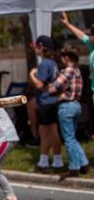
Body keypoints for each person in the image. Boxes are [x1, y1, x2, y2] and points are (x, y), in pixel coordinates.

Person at [48, 47, 90, 180]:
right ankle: (84, 163)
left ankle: (74, 167)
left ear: (66, 57)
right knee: (72, 137)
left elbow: (53, 87)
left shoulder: (68, 70)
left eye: (62, 57)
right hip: (76, 105)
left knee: (68, 139)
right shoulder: (77, 70)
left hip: (66, 106)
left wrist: (50, 87)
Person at [28, 35, 63, 172]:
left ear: (42, 47)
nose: (35, 49)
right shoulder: (53, 63)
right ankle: (45, 160)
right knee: (45, 131)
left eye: (36, 46)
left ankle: (56, 160)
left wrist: (32, 74)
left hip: (46, 101)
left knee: (49, 131)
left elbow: (39, 85)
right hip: (51, 101)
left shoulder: (44, 64)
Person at [60, 11, 94, 110]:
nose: (89, 36)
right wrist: (68, 24)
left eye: (91, 34)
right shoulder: (92, 46)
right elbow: (81, 35)